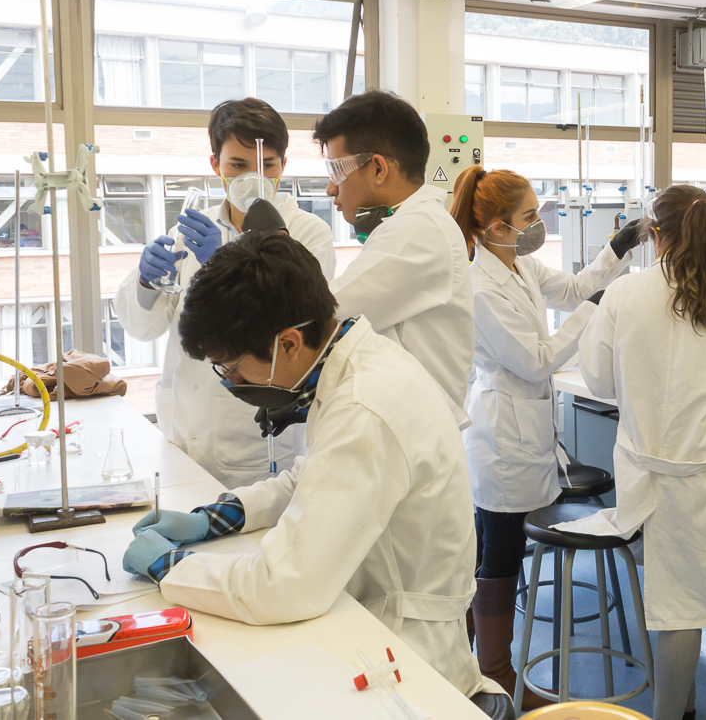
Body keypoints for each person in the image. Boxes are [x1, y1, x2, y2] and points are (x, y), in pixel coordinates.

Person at [122, 232, 487, 699]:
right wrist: (214, 518)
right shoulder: (353, 363)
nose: (231, 383)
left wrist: (169, 567)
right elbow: (314, 477)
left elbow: (285, 586)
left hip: (407, 659)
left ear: (289, 343)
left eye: (230, 368)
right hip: (369, 622)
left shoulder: (363, 406)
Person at [555, 184, 706, 720]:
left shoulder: (624, 295)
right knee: (684, 601)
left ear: (654, 235)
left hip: (647, 473)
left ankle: (674, 706)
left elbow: (597, 378)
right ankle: (674, 706)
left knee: (676, 600)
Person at [450, 166, 644, 708]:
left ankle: (476, 672)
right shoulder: (479, 284)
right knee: (499, 554)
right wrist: (593, 313)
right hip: (500, 436)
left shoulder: (522, 263)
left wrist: (616, 247)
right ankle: (496, 677)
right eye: (529, 216)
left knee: (496, 550)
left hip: (524, 427)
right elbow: (536, 363)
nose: (538, 224)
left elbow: (577, 288)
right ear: (492, 226)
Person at [114, 98, 336, 488]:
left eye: (267, 165)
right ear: (215, 164)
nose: (255, 177)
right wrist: (146, 285)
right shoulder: (190, 232)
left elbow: (299, 328)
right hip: (182, 435)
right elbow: (142, 328)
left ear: (284, 165)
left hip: (254, 446)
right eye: (238, 165)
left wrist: (229, 265)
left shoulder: (308, 234)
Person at [315, 90, 473, 425]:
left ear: (378, 168)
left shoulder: (417, 230)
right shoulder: (405, 226)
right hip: (401, 423)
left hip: (410, 431)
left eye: (336, 170)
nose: (331, 189)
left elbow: (325, 313)